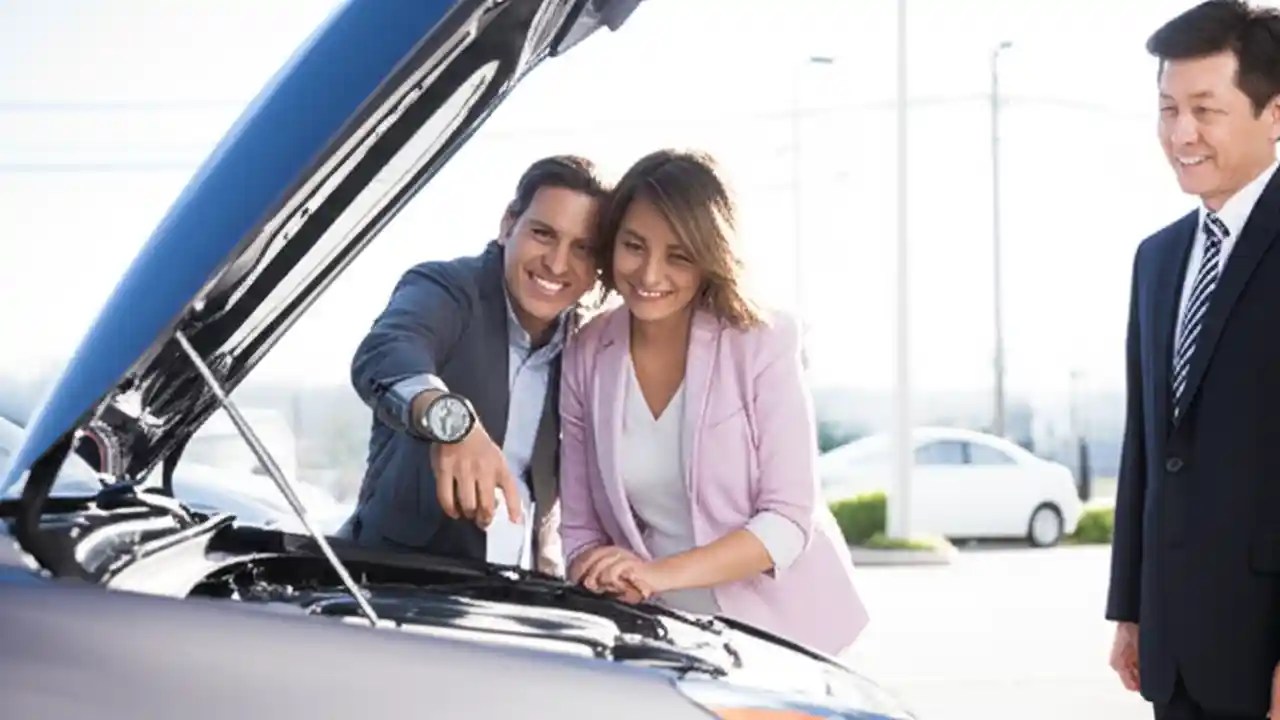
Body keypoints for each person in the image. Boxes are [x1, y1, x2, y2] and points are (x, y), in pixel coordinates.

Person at [556, 148, 868, 656]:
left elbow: (789, 520)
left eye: (678, 255)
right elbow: (580, 529)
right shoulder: (586, 352)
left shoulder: (762, 340)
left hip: (784, 632)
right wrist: (602, 572)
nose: (650, 274)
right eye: (634, 246)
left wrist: (658, 574)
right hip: (657, 633)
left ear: (709, 257)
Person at [1106, 2, 1280, 717]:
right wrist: (1132, 608)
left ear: (1274, 113)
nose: (1182, 133)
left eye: (1205, 109)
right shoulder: (1158, 259)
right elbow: (1146, 447)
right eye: (1168, 108)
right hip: (1176, 649)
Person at [339, 155, 610, 576]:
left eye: (582, 248)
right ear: (508, 225)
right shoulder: (447, 289)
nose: (557, 264)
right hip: (396, 591)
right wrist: (452, 422)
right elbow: (388, 351)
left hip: (521, 602)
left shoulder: (589, 347)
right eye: (543, 234)